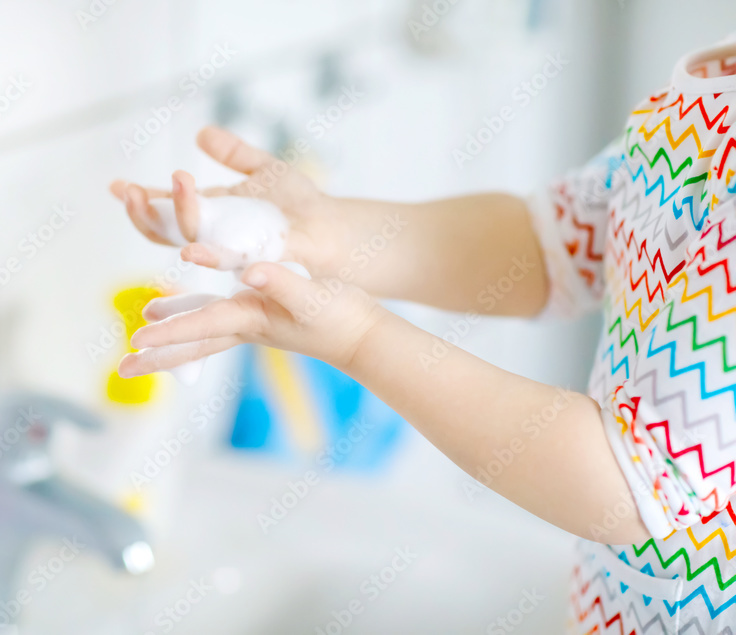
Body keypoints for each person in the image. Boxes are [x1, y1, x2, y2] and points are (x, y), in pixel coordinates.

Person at [110, 34, 736, 633]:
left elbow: (639, 486)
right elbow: (557, 244)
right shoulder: (708, 92)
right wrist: (334, 232)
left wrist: (361, 341)